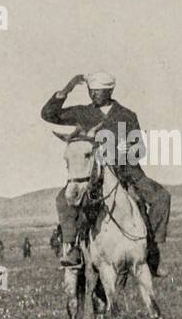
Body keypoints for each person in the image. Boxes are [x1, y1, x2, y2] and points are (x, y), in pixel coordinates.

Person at [41, 71, 171, 275]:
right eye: (91, 91)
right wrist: (67, 89)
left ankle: (152, 250)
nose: (93, 95)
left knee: (162, 197)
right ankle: (72, 249)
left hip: (127, 171)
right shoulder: (81, 113)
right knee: (62, 199)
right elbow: (48, 114)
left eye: (99, 91)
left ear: (110, 90)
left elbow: (139, 149)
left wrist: (116, 153)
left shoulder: (127, 116)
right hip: (93, 175)